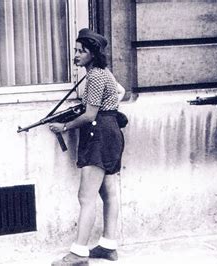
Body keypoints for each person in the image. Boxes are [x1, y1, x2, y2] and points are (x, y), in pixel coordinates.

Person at [49, 28, 125, 265]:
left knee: (86, 196)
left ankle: (79, 253)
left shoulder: (94, 76)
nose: (76, 55)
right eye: (75, 50)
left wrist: (64, 127)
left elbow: (89, 114)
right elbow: (120, 92)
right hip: (112, 132)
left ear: (93, 53)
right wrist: (109, 109)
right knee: (109, 192)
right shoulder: (105, 73)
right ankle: (108, 246)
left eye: (81, 51)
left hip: (98, 135)